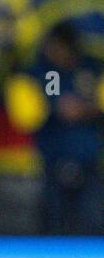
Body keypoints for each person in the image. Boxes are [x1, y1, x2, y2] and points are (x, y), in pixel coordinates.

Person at [31, 22, 102, 235]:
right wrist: (55, 105)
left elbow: (98, 99)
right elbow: (33, 105)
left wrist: (88, 108)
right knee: (54, 220)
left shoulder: (90, 68)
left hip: (89, 156)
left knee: (93, 220)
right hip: (53, 156)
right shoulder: (46, 72)